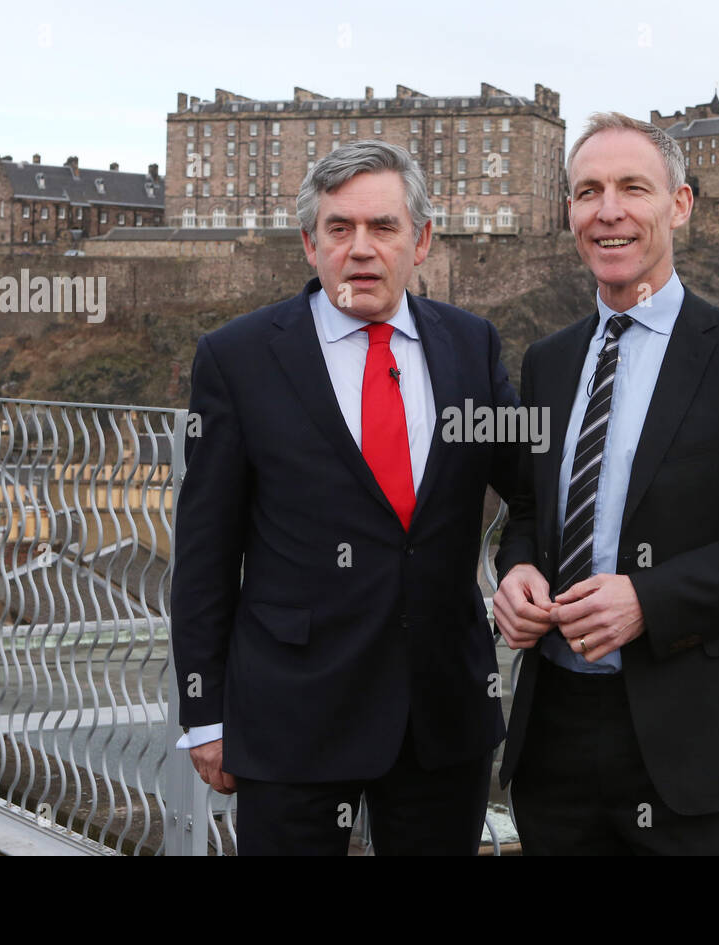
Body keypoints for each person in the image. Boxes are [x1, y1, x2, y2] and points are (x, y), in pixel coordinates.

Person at [492, 112, 719, 855]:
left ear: (679, 205)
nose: (607, 210)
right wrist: (515, 567)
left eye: (631, 188)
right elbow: (526, 508)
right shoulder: (548, 362)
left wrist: (650, 600)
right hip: (554, 731)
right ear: (570, 214)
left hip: (691, 736)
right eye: (587, 192)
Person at [171, 139, 518, 855]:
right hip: (292, 713)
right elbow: (206, 548)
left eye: (383, 227)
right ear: (309, 243)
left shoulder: (472, 347)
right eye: (340, 228)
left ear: (421, 240)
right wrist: (205, 713)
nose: (361, 248)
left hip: (442, 714)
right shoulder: (237, 358)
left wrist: (524, 566)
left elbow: (530, 492)